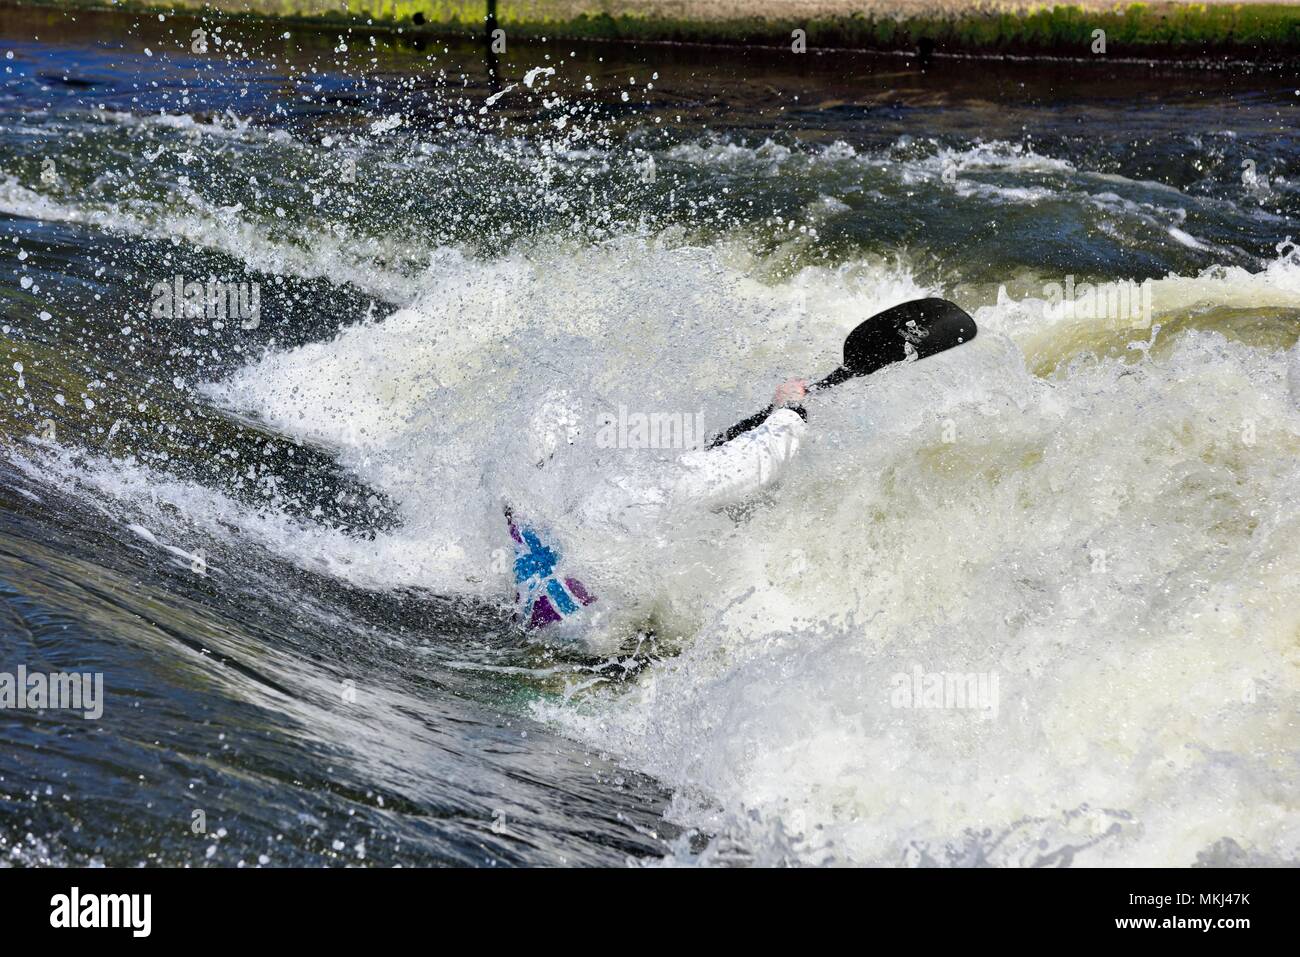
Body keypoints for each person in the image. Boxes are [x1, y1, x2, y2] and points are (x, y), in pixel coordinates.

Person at [507, 378, 810, 631]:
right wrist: (789, 410)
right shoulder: (634, 489)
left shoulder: (518, 495)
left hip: (541, 635)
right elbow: (754, 466)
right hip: (606, 642)